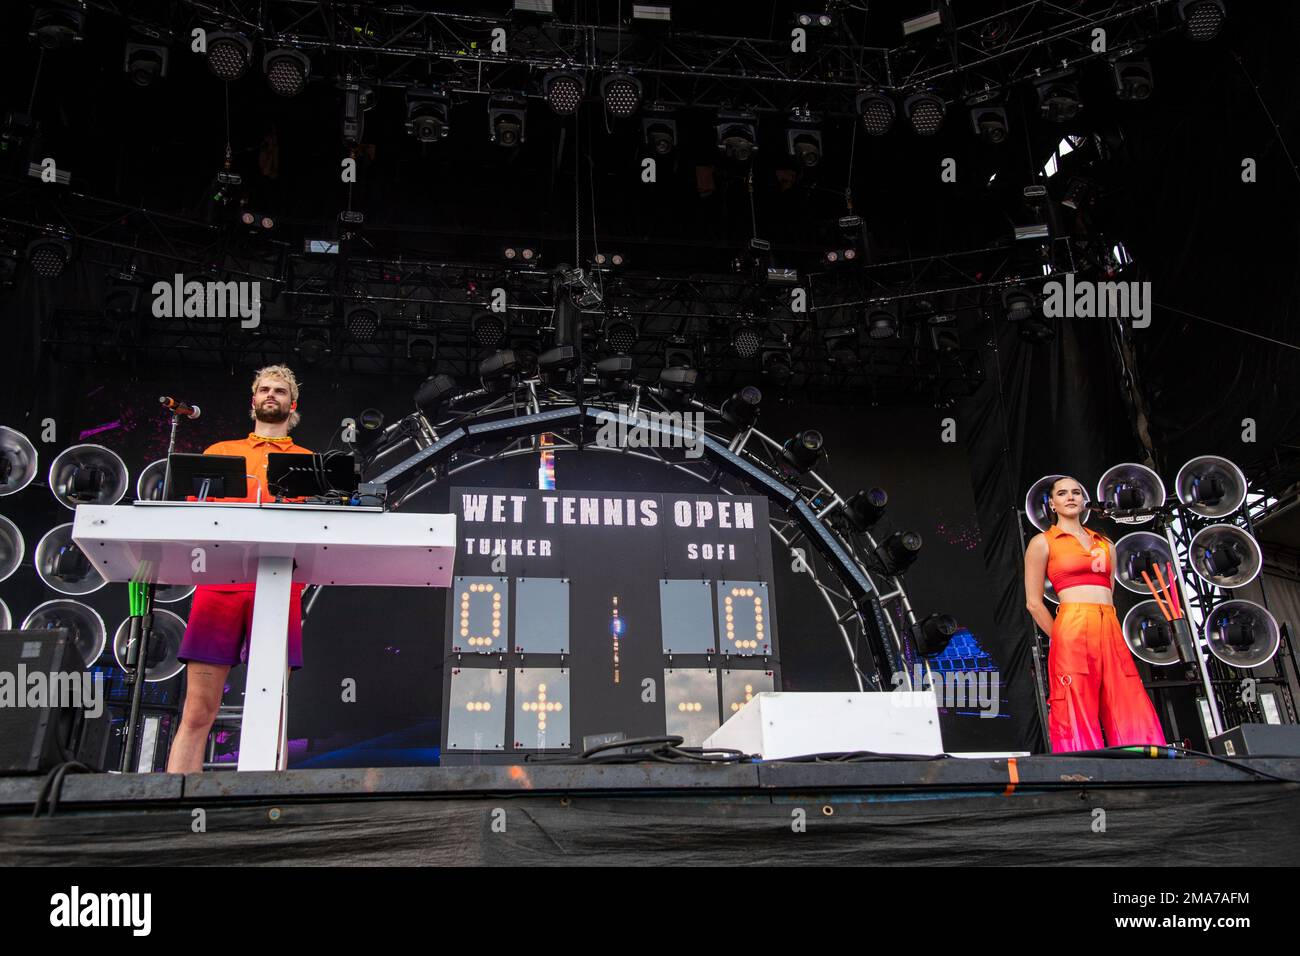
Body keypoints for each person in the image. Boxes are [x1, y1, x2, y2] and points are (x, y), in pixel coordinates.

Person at [166, 365, 313, 773]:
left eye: (279, 391)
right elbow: (191, 516)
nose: (271, 395)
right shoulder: (220, 452)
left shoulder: (308, 461)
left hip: (280, 587)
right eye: (264, 389)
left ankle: (264, 810)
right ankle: (171, 807)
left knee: (273, 709)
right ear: (253, 401)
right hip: (219, 585)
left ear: (292, 404)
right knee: (198, 708)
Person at [1024, 475, 1166, 752]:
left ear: (1084, 500)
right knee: (1075, 694)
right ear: (1052, 504)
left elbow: (1109, 590)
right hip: (1072, 623)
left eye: (1076, 492)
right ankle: (1081, 767)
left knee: (1124, 690)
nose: (1070, 497)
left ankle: (1141, 760)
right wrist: (1061, 638)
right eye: (1062, 493)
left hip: (1107, 621)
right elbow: (1033, 603)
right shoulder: (1043, 542)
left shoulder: (1105, 543)